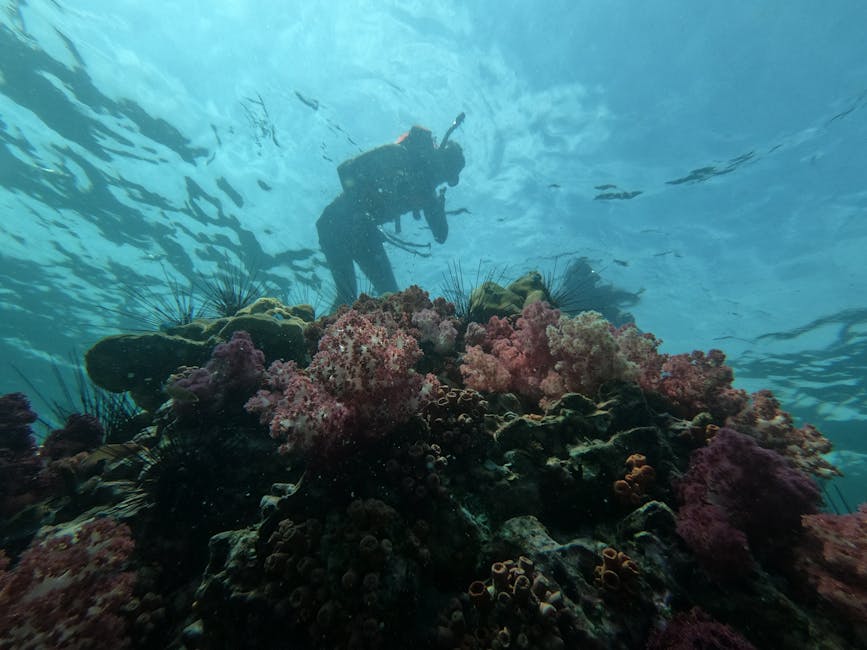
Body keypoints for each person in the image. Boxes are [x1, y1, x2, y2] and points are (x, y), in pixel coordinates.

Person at [316, 118, 466, 309]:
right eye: (442, 172)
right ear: (435, 160)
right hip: (335, 224)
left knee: (391, 297)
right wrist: (364, 201)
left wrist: (438, 207)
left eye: (445, 179)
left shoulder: (427, 193)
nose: (437, 181)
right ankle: (325, 337)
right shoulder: (398, 156)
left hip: (364, 232)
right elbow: (346, 169)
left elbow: (441, 236)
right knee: (347, 297)